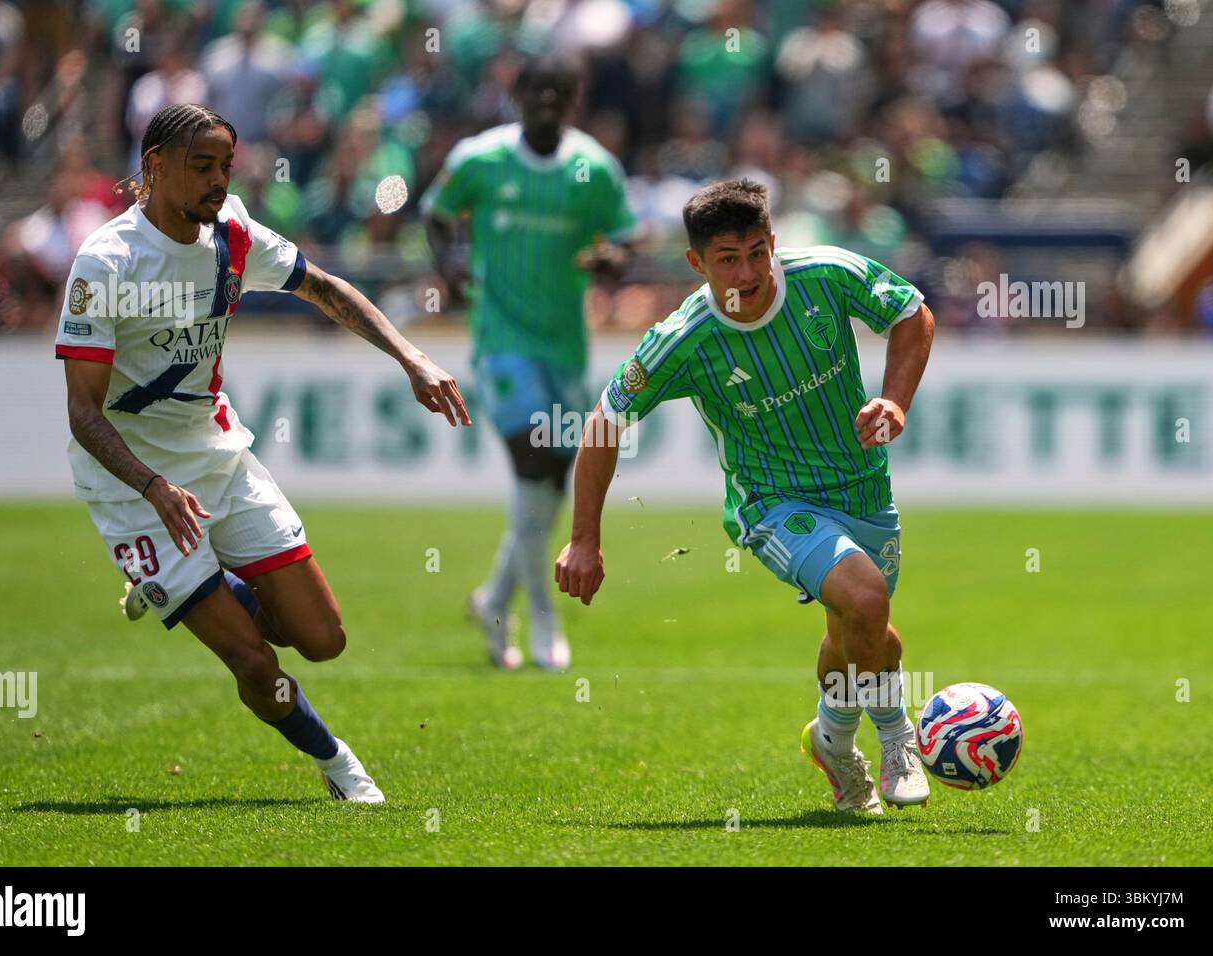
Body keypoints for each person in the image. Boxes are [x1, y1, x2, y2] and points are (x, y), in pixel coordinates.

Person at [56, 103, 470, 803]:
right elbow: (82, 414)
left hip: (219, 458)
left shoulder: (233, 233)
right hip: (133, 487)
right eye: (202, 167)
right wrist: (154, 488)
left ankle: (198, 587)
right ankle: (339, 765)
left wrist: (412, 357)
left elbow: (324, 288)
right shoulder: (106, 262)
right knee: (253, 661)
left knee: (323, 639)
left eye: (226, 166)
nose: (219, 181)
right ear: (153, 167)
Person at [554, 179, 935, 814]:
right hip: (771, 506)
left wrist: (894, 399)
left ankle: (833, 743)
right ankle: (898, 739)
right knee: (866, 600)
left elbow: (912, 311)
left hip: (865, 488)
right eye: (728, 258)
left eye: (758, 251)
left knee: (864, 635)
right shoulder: (682, 339)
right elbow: (603, 424)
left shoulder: (827, 275)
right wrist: (584, 538)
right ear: (697, 264)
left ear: (774, 243)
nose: (748, 271)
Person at [421, 56, 636, 671]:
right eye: (537, 91)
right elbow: (435, 213)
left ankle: (493, 600)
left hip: (565, 347)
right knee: (531, 458)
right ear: (518, 96)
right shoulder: (481, 159)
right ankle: (542, 617)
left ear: (573, 101)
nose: (547, 102)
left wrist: (611, 259)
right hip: (500, 341)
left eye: (559, 93)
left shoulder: (593, 168)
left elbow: (624, 237)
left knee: (548, 481)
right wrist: (451, 269)